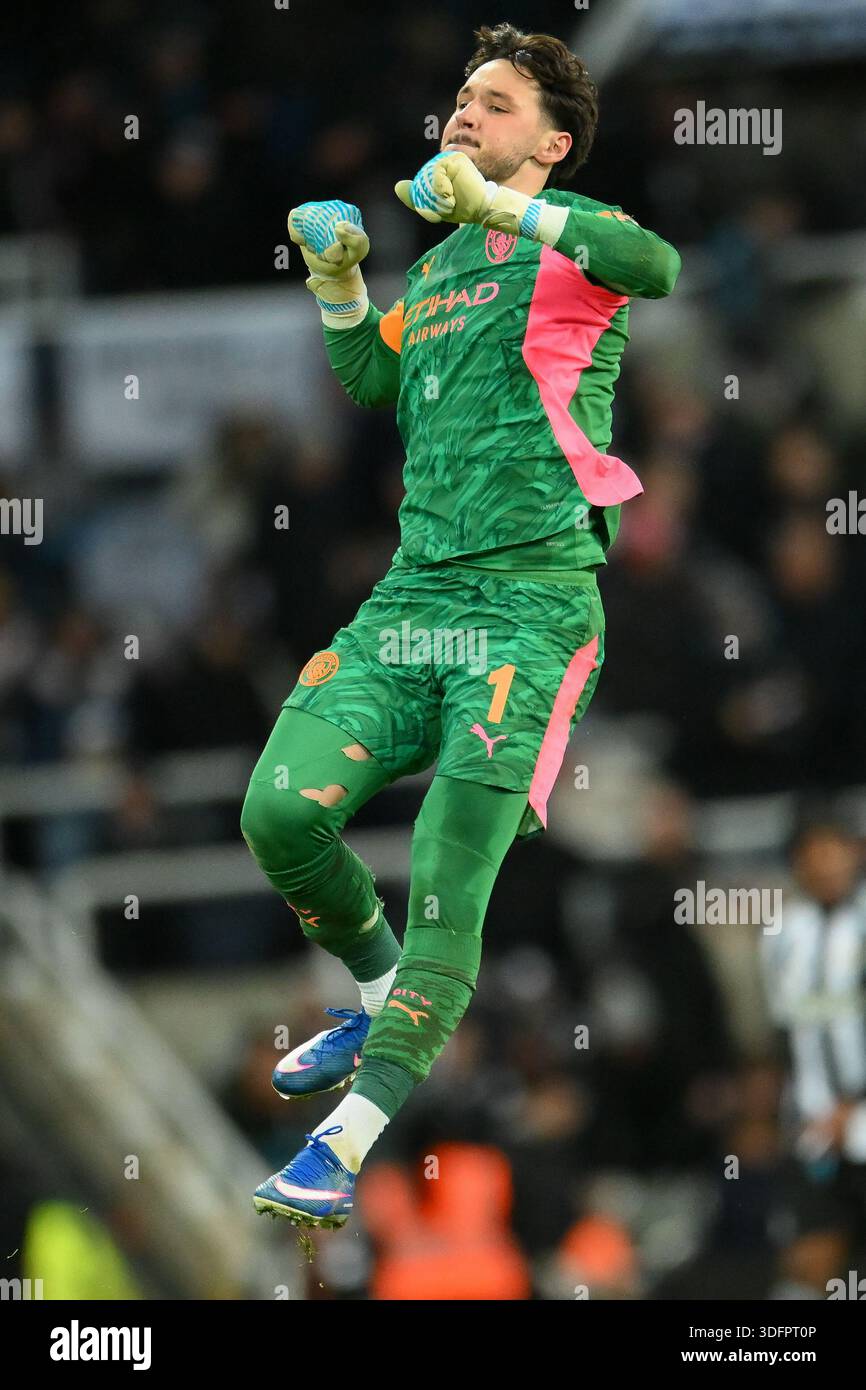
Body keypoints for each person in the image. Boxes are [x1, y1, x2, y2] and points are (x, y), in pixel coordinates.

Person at [241, 21, 681, 1227]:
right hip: (413, 600)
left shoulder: (571, 246)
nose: (462, 114)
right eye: (458, 99)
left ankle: (342, 1146)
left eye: (493, 104)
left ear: (550, 143)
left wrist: (500, 204)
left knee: (446, 874)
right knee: (278, 812)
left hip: (532, 609)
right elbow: (375, 385)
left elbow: (657, 266)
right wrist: (340, 287)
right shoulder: (434, 273)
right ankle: (381, 991)